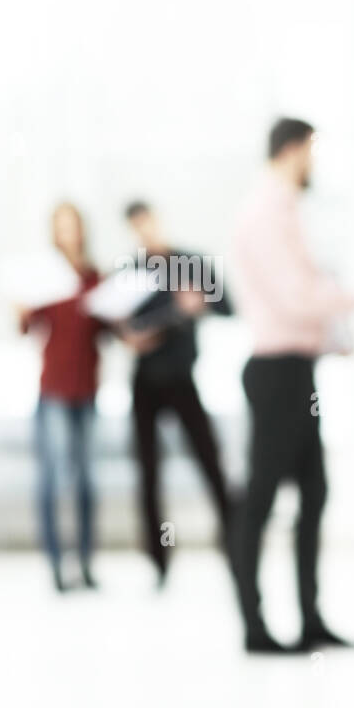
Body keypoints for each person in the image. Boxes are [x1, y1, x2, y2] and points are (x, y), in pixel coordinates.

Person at [231, 117, 354, 653]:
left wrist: (335, 334)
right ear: (293, 149)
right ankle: (255, 626)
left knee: (315, 493)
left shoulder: (284, 210)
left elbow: (302, 300)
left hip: (298, 369)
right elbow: (297, 298)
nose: (315, 164)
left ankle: (310, 617)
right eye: (312, 152)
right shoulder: (263, 213)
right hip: (277, 371)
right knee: (259, 501)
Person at [118, 201, 234, 587]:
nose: (145, 232)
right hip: (146, 381)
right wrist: (129, 336)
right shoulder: (131, 271)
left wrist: (199, 301)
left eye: (148, 223)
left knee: (210, 461)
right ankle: (159, 562)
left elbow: (227, 305)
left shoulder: (191, 263)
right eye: (137, 227)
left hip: (182, 378)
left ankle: (235, 543)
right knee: (149, 472)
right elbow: (119, 326)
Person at [18, 202, 104, 593]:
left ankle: (85, 563)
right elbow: (26, 327)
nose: (68, 232)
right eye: (61, 226)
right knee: (53, 481)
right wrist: (22, 309)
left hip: (87, 390)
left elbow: (102, 329)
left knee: (87, 481)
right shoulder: (45, 277)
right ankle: (55, 565)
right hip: (54, 389)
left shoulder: (92, 277)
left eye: (73, 225)